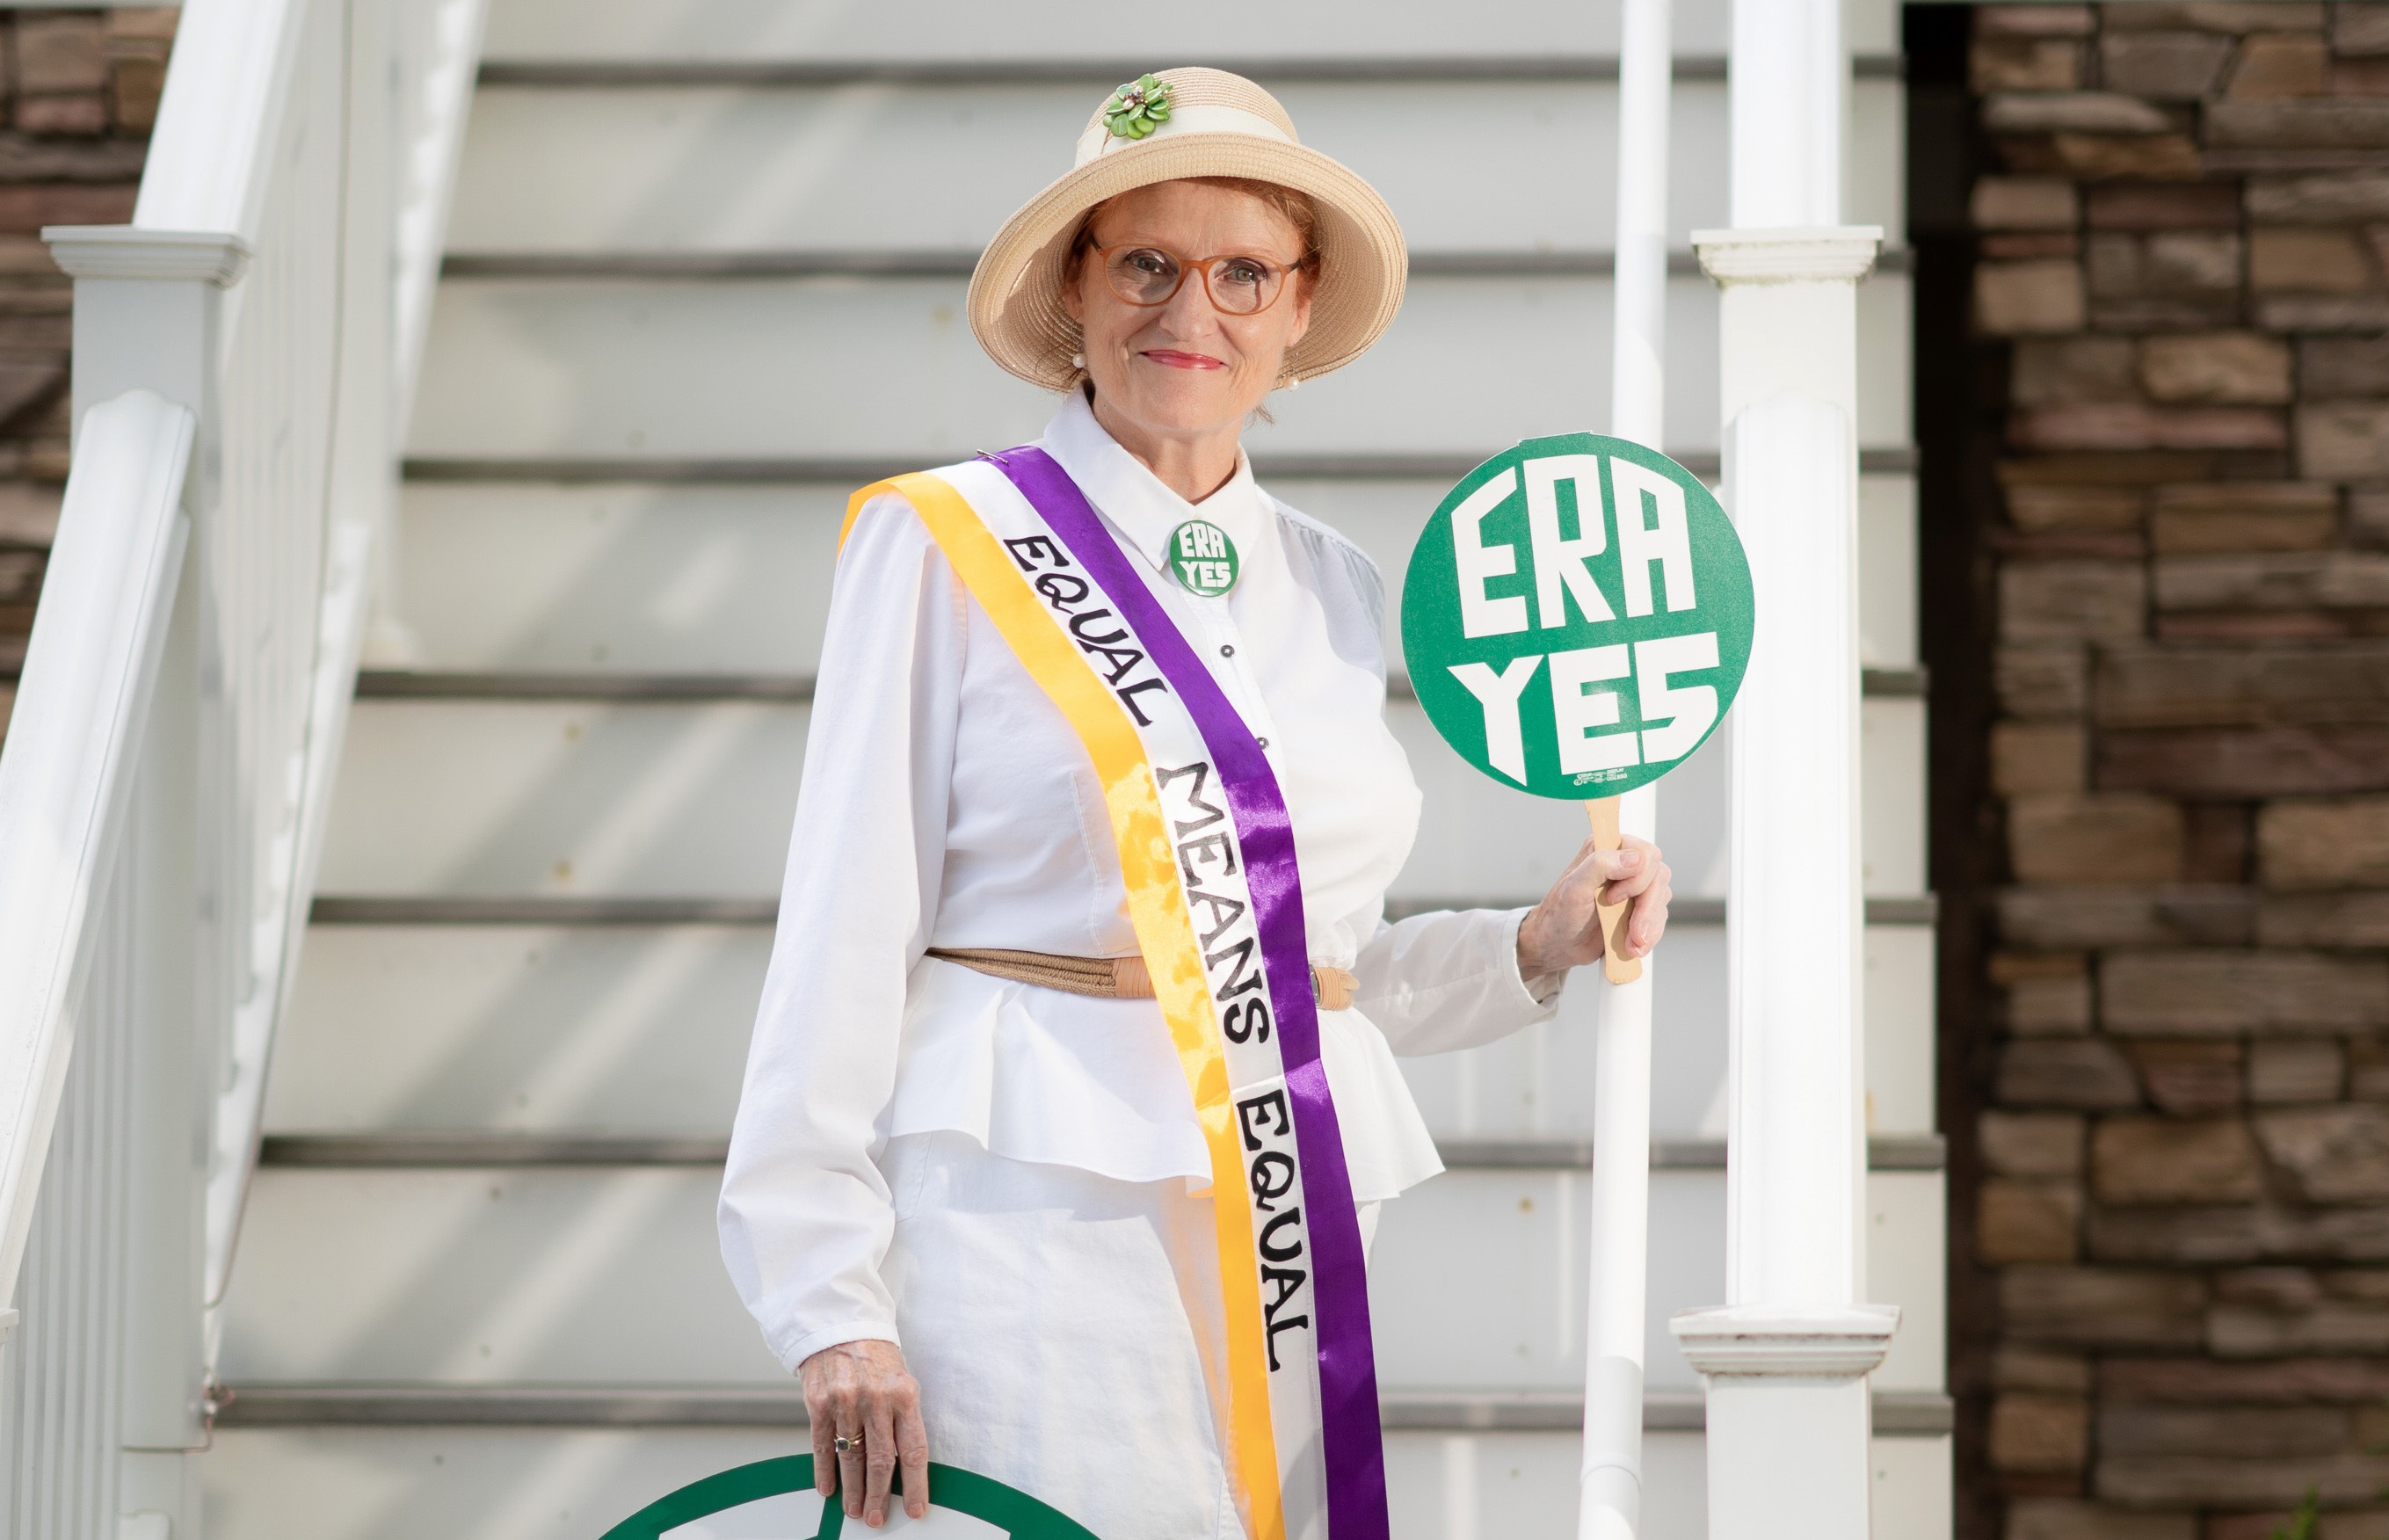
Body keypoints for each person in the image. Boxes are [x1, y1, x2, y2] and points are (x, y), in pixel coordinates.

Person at [718, 67, 1674, 1539]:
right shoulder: (945, 543)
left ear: (1296, 310)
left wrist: (1529, 947)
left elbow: (1305, 970)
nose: (1192, 310)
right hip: (1026, 1203)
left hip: (1283, 1204)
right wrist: (826, 1300)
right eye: (1147, 264)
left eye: (1242, 272)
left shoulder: (1335, 587)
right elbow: (841, 927)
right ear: (1077, 294)